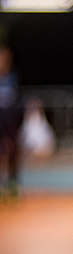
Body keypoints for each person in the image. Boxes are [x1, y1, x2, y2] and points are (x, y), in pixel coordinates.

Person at [0, 45, 23, 197]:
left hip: (11, 121)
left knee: (14, 151)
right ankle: (2, 184)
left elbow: (16, 99)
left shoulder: (13, 77)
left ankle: (14, 183)